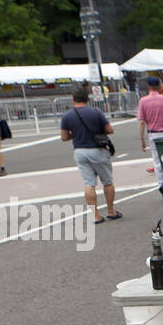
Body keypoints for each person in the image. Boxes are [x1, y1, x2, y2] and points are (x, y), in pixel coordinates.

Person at [60, 87, 120, 223]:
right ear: (88, 98)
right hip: (97, 149)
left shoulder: (67, 115)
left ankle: (95, 215)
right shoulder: (95, 112)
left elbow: (64, 137)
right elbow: (109, 129)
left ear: (73, 99)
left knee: (89, 183)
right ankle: (111, 210)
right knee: (107, 181)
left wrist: (75, 134)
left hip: (79, 151)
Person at [136, 76, 163, 203]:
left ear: (148, 87)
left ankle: (160, 185)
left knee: (157, 162)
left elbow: (141, 122)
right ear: (159, 86)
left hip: (153, 133)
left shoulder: (143, 101)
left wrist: (142, 139)